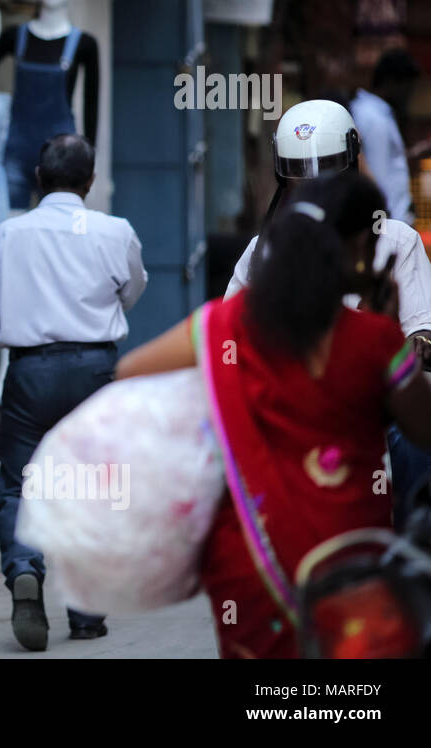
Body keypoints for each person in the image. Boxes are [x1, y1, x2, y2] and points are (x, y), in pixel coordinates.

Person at [118, 170, 431, 658]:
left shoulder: (225, 327)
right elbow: (424, 427)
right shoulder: (374, 342)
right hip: (346, 557)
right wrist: (387, 330)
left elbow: (130, 375)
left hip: (249, 552)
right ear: (349, 251)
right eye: (369, 247)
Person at [0, 133, 147, 651]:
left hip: (31, 373)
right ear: (90, 181)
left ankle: (23, 569)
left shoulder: (5, 237)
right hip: (95, 372)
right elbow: (132, 291)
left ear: (38, 179)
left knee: (19, 483)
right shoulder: (115, 231)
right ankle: (86, 612)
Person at [227, 100, 431, 527]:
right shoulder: (260, 252)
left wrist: (402, 350)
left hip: (371, 405)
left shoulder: (397, 242)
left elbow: (422, 329)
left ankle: (417, 537)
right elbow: (228, 343)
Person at [350, 49, 420, 225]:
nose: (409, 94)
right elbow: (377, 176)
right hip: (388, 224)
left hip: (390, 222)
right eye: (407, 86)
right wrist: (384, 226)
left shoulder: (377, 113)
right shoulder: (373, 118)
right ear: (390, 82)